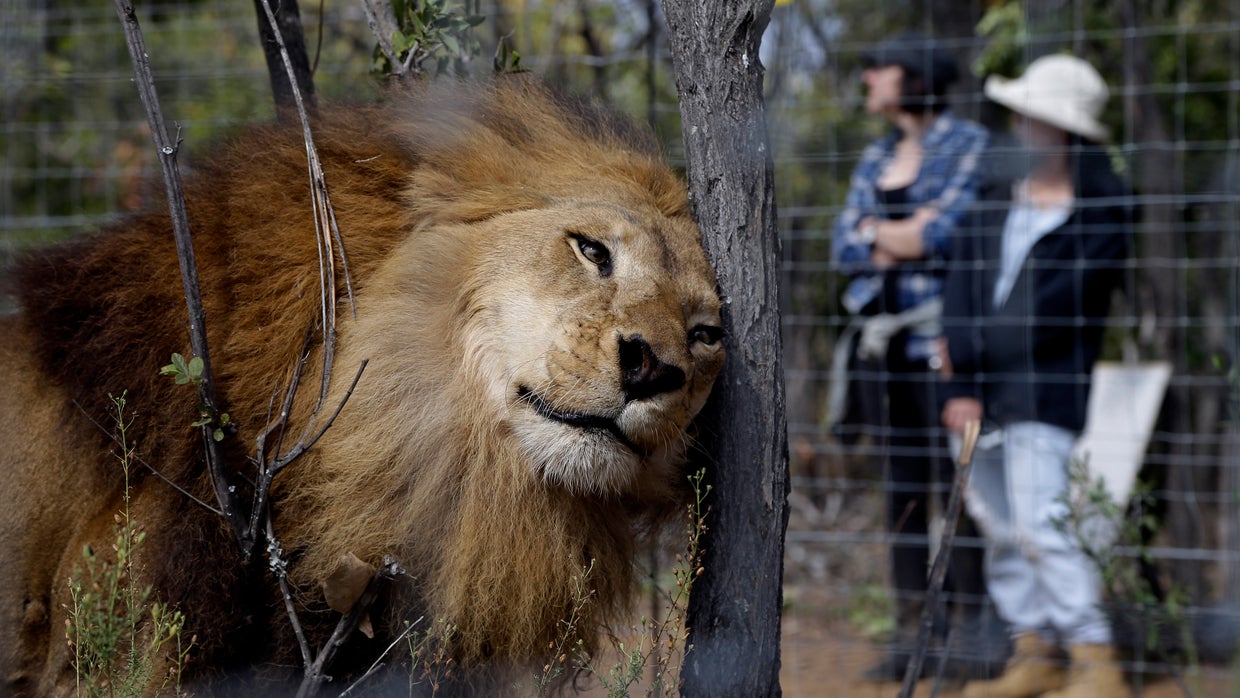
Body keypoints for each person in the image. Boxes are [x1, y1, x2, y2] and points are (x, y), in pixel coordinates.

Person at [938, 53, 1132, 698]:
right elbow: (958, 291)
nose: (1020, 127)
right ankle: (1036, 654)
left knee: (1043, 527)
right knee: (998, 528)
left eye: (1033, 117)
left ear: (1064, 131)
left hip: (1047, 392)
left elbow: (1052, 313)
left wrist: (962, 353)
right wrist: (960, 385)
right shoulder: (992, 200)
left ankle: (1096, 660)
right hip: (975, 395)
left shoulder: (1104, 214)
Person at [830, 31, 1001, 681]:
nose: (868, 78)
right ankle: (912, 636)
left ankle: (971, 636)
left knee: (961, 488)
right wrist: (896, 233)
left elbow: (949, 234)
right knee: (900, 488)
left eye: (881, 67)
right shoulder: (876, 154)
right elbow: (843, 245)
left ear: (918, 78)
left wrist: (880, 233)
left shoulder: (971, 145)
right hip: (883, 352)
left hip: (947, 351)